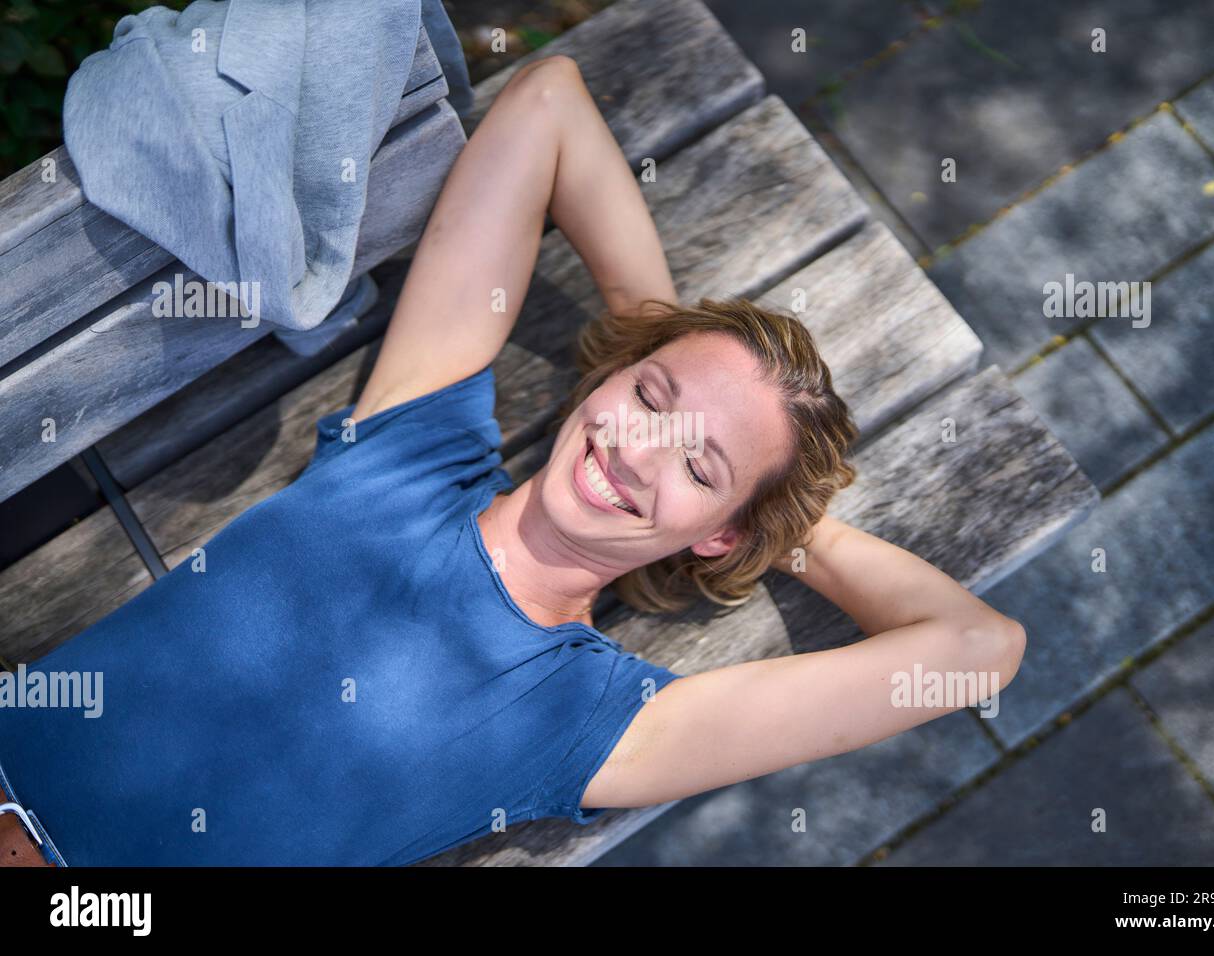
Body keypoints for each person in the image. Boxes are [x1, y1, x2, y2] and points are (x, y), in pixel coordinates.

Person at [0, 55, 1025, 867]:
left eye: (699, 467)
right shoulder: (417, 440)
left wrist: (783, 530)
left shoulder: (591, 717)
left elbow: (976, 648)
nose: (636, 445)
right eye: (646, 398)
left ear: (718, 531)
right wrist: (652, 336)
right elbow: (548, 104)